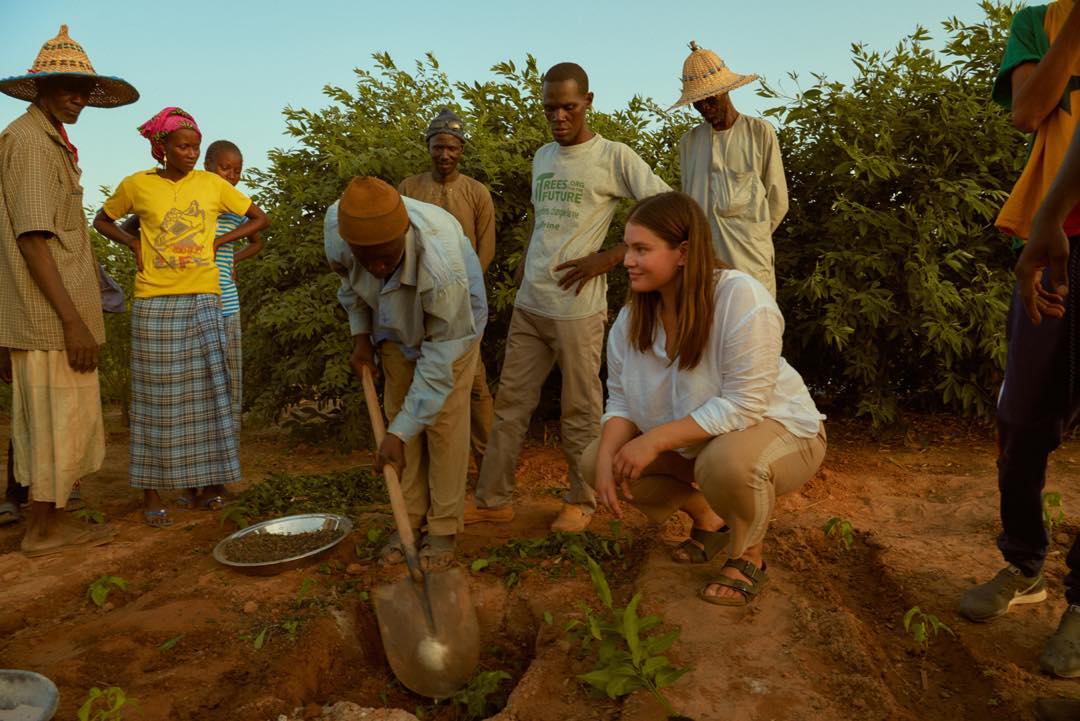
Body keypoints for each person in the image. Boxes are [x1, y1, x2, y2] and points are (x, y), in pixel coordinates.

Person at [582, 191, 825, 605]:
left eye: (642, 249)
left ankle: (749, 555)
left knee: (726, 463)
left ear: (683, 252)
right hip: (700, 441)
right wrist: (607, 456)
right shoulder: (631, 319)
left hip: (780, 431)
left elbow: (746, 403)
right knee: (596, 460)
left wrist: (655, 439)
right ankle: (710, 520)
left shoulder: (739, 297)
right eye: (628, 248)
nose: (627, 260)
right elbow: (621, 400)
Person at [466, 62, 671, 533]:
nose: (559, 117)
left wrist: (614, 255)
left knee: (580, 411)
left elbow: (666, 210)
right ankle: (493, 498)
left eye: (568, 107)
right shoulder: (542, 157)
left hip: (578, 312)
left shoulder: (613, 157)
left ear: (589, 102)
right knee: (511, 407)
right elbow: (543, 219)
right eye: (550, 108)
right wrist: (525, 261)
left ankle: (582, 500)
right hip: (531, 305)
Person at [958, 0, 1080, 680]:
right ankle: (1024, 561)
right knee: (1022, 414)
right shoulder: (1039, 20)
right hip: (1055, 233)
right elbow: (1029, 111)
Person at [92, 107, 268, 527]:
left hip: (206, 298)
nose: (191, 153)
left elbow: (260, 218)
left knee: (207, 396)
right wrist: (132, 246)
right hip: (154, 300)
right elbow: (102, 220)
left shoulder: (211, 184)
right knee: (155, 397)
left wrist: (218, 243)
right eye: (183, 146)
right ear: (162, 147)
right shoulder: (137, 185)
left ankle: (207, 484)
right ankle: (152, 492)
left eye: (195, 146)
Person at [0, 25, 137, 555]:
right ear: (40, 88)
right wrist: (73, 320)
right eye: (66, 87)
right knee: (54, 422)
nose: (77, 98)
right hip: (48, 316)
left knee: (62, 421)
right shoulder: (30, 142)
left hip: (56, 312)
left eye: (83, 90)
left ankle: (50, 521)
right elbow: (33, 239)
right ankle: (42, 531)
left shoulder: (49, 140)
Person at [325, 177, 486, 568]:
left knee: (444, 419)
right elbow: (350, 285)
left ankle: (444, 529)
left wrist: (396, 435)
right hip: (390, 321)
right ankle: (409, 521)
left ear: (405, 234)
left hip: (454, 325)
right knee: (400, 410)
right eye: (369, 258)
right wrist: (361, 336)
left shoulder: (442, 267)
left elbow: (437, 366)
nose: (379, 266)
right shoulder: (338, 230)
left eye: (387, 256)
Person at [399, 109, 495, 476]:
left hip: (465, 308)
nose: (444, 155)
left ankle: (487, 466)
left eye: (451, 148)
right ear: (429, 147)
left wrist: (463, 296)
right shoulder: (409, 189)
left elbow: (485, 249)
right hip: (418, 305)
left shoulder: (476, 193)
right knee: (419, 380)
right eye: (438, 146)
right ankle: (424, 468)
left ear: (462, 149)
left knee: (474, 386)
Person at [672, 41, 787, 298]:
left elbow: (778, 202)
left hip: (751, 264)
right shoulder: (689, 143)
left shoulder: (759, 132)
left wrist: (752, 238)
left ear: (725, 91)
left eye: (709, 98)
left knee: (753, 331)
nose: (704, 106)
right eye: (698, 102)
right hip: (703, 266)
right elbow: (689, 204)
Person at [205, 139, 264, 439]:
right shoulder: (198, 203)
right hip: (195, 304)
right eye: (224, 167)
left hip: (227, 304)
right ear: (207, 167)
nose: (230, 175)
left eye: (236, 170)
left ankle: (229, 449)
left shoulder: (234, 208)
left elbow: (258, 238)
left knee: (230, 382)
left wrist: (231, 255)